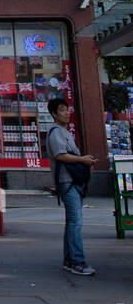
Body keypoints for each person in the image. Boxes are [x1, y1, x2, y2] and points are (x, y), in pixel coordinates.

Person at [46, 97, 97, 276]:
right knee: (75, 222)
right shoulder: (55, 132)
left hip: (74, 181)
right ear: (53, 114)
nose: (66, 113)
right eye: (61, 110)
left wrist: (85, 162)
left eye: (67, 109)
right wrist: (82, 159)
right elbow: (60, 155)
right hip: (67, 182)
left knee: (72, 223)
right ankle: (77, 261)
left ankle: (69, 260)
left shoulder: (64, 132)